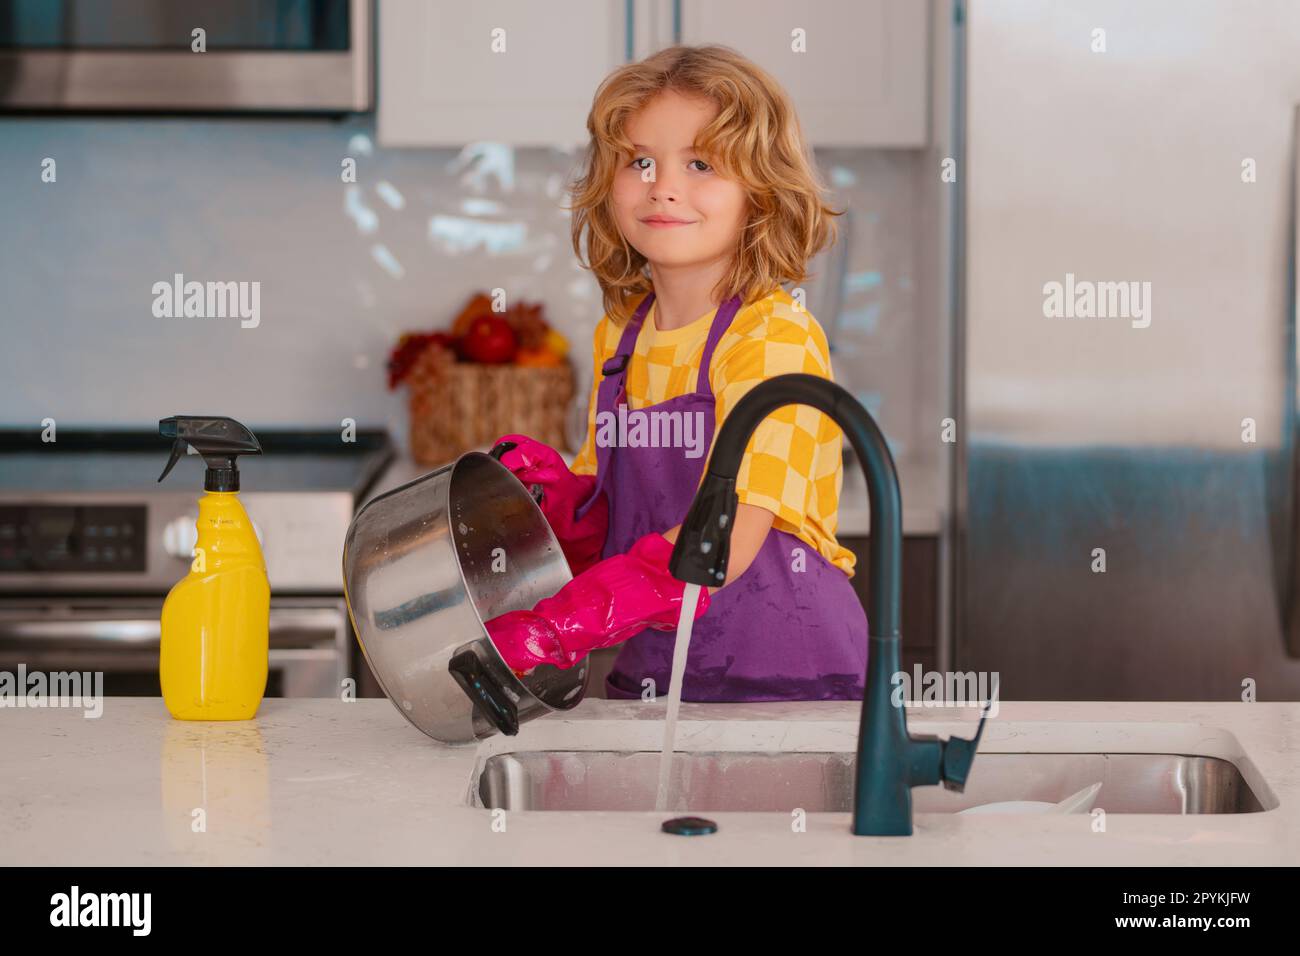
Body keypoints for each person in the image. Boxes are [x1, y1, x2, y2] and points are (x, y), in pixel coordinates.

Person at [485, 44, 868, 702]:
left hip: (785, 674)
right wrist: (551, 499)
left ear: (762, 193)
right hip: (661, 667)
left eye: (700, 163)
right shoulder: (621, 339)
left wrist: (557, 628)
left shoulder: (772, 338)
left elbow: (722, 544)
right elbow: (618, 521)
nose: (663, 185)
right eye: (639, 161)